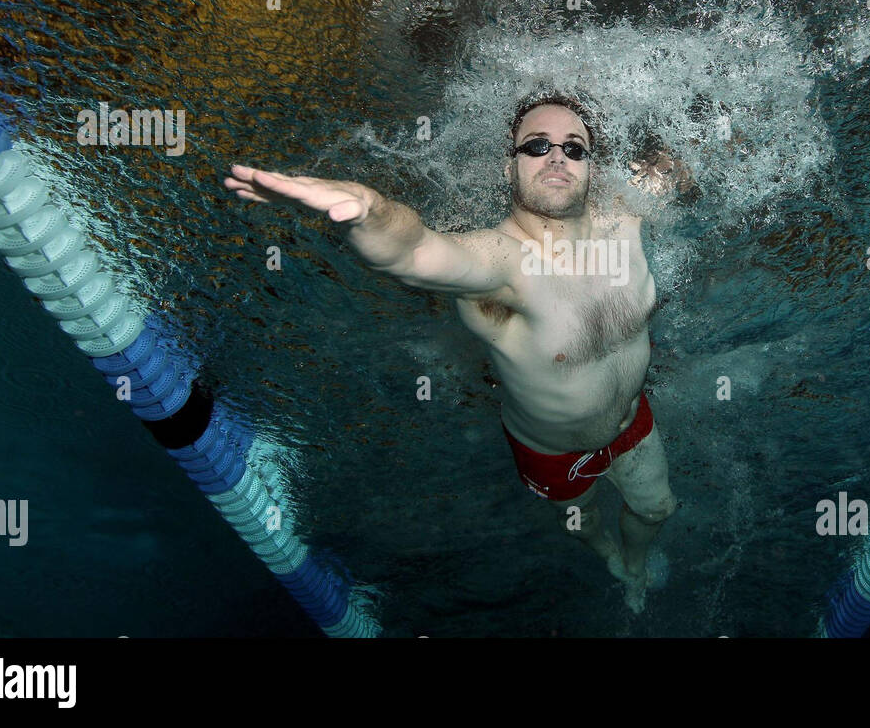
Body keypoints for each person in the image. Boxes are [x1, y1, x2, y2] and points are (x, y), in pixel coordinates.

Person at [223, 91, 691, 612]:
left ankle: (637, 562)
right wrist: (367, 211)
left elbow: (681, 165)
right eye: (536, 146)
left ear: (590, 167)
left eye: (573, 148)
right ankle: (607, 551)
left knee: (656, 511)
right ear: (508, 167)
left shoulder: (625, 219)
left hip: (632, 423)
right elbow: (416, 249)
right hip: (554, 453)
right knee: (585, 525)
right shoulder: (502, 261)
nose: (557, 157)